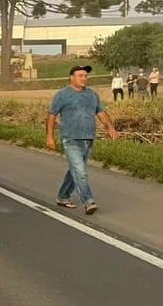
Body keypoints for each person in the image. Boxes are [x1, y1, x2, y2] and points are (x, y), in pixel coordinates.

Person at [45, 65, 120, 215]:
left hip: (88, 138)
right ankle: (89, 201)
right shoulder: (63, 95)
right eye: (80, 75)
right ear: (71, 78)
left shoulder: (92, 95)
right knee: (80, 171)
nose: (84, 78)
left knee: (75, 170)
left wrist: (110, 127)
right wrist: (50, 136)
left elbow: (101, 112)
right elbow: (51, 115)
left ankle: (63, 196)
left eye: (85, 76)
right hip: (71, 138)